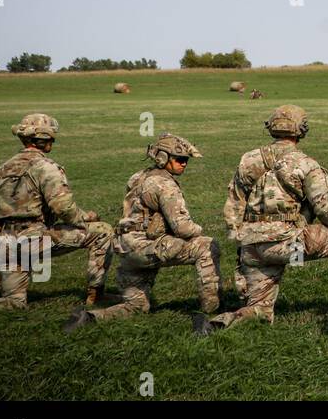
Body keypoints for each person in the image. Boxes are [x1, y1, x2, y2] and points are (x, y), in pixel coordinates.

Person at [195, 105, 328, 335]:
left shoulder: (248, 160)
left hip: (252, 248)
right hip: (288, 244)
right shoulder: (305, 164)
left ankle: (215, 324)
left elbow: (234, 205)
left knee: (259, 310)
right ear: (301, 130)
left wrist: (241, 240)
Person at [0, 113, 112, 324]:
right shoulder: (46, 167)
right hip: (34, 239)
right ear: (47, 140)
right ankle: (96, 296)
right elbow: (63, 207)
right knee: (103, 232)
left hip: (5, 243)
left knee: (14, 301)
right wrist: (86, 217)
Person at [65, 134, 220, 330]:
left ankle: (88, 318)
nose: (184, 164)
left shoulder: (138, 177)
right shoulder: (165, 184)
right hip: (147, 247)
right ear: (163, 158)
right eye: (179, 159)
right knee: (207, 246)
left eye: (186, 160)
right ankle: (211, 312)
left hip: (127, 249)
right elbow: (184, 228)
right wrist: (199, 229)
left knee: (137, 307)